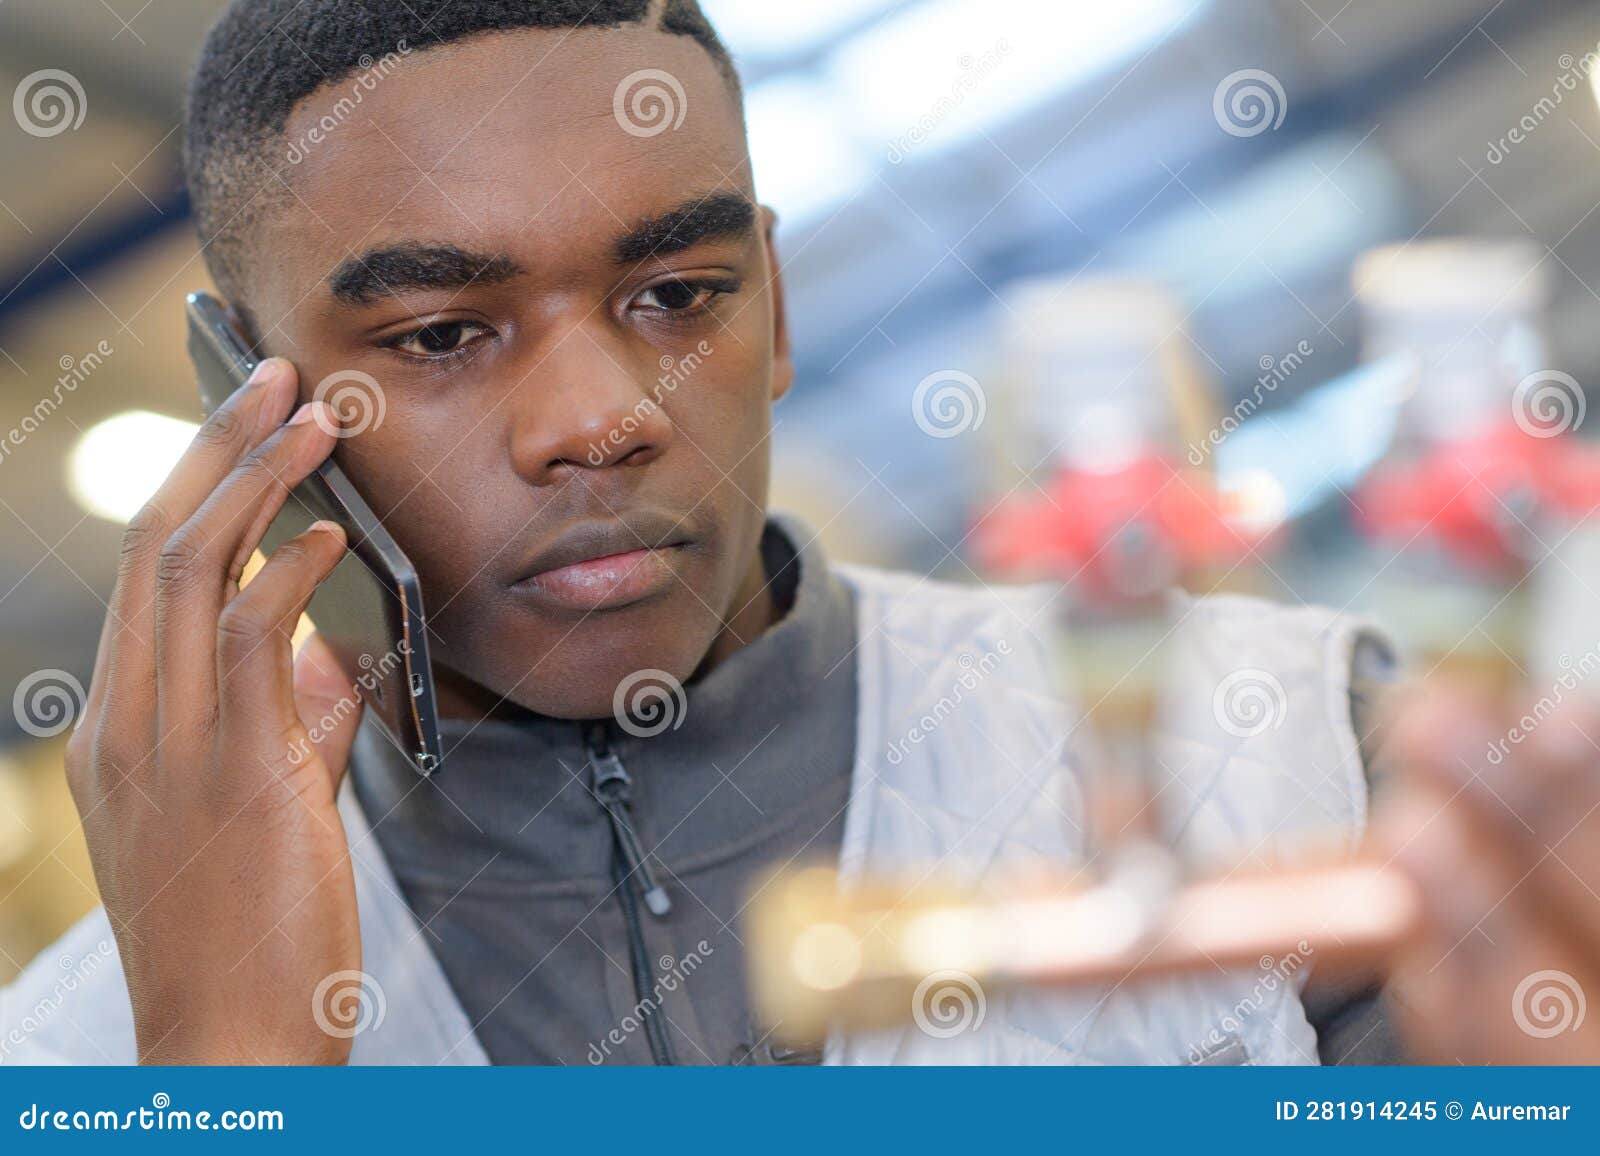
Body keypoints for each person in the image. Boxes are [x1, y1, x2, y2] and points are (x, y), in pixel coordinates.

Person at [3, 0, 1587, 1068]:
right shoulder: (80, 1052)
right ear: (239, 385)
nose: (599, 417)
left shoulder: (1315, 756)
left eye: (677, 296)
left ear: (773, 302)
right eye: (437, 334)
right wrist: (228, 1078)